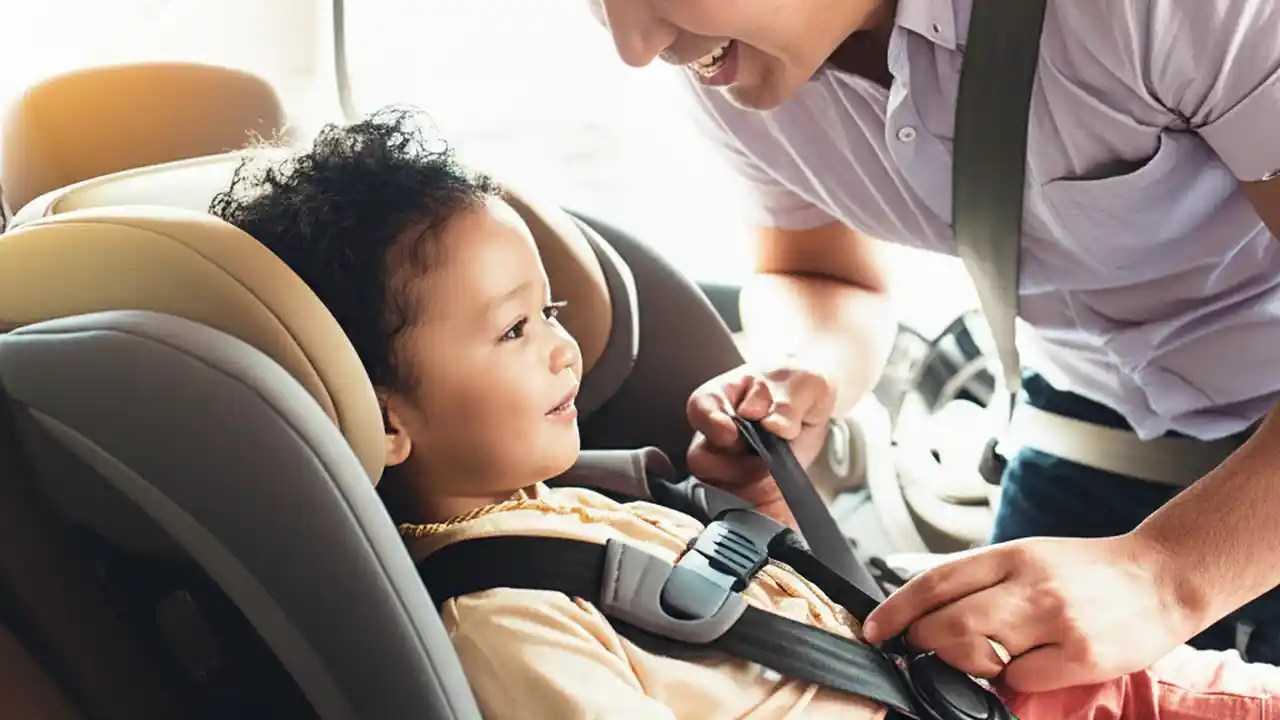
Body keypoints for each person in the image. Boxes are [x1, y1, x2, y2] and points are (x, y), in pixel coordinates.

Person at [206, 106, 1280, 719]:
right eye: (510, 331)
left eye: (552, 309)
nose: (566, 345)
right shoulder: (501, 609)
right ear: (377, 413)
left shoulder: (604, 501)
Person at [587, 0, 1280, 693]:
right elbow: (819, 271)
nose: (635, 49)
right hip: (1082, 422)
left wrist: (1166, 575)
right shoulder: (740, 72)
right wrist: (804, 372)